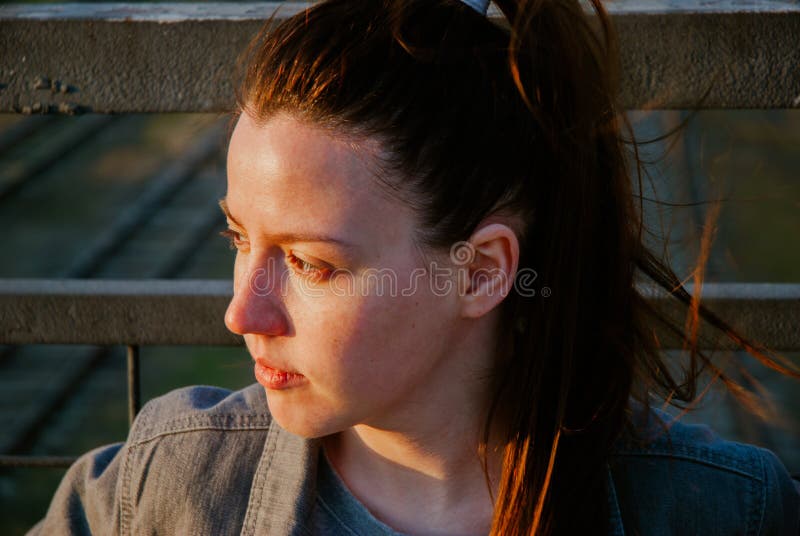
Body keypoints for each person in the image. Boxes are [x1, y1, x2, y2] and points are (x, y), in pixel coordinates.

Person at [30, 0, 799, 534]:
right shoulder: (165, 488)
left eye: (310, 263)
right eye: (239, 239)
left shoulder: (722, 512)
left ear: (481, 272)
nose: (242, 313)